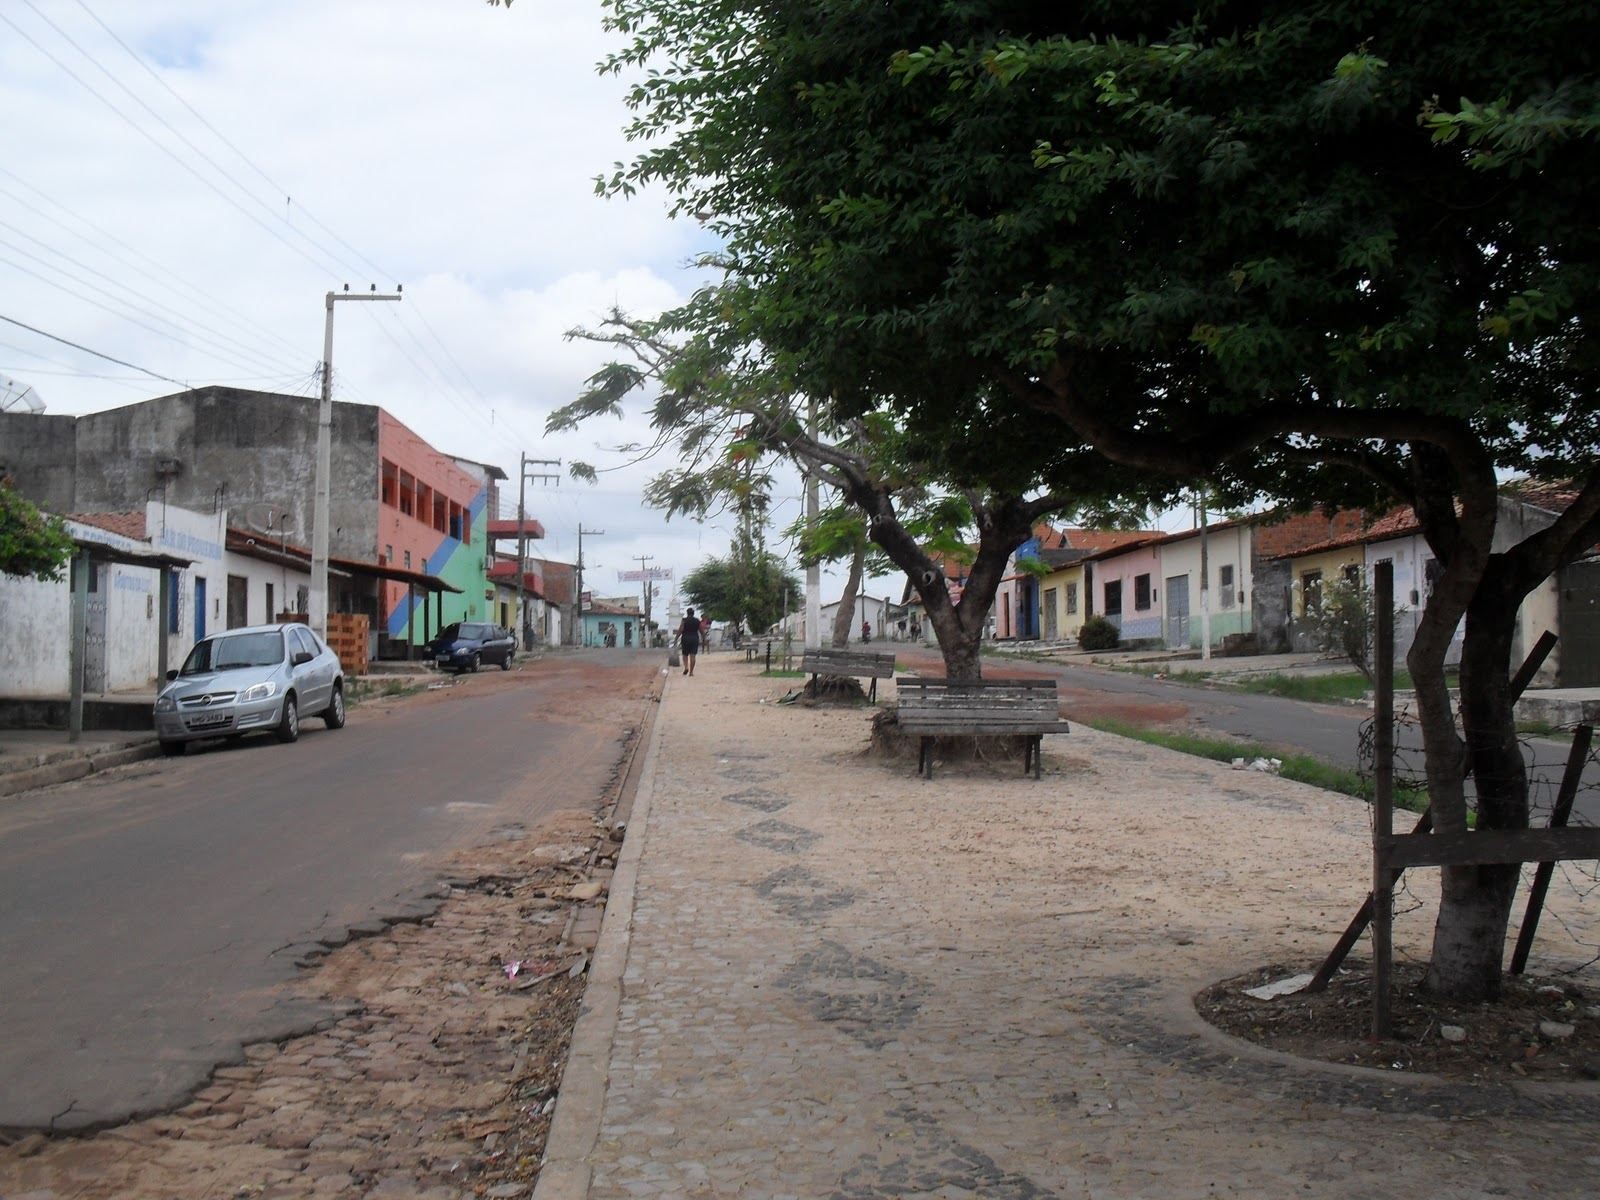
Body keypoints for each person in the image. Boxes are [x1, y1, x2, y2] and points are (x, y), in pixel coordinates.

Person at [678, 607, 701, 676]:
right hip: (695, 639)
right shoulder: (697, 620)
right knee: (693, 656)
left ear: (687, 613)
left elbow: (681, 630)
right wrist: (704, 638)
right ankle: (691, 672)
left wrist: (676, 638)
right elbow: (701, 630)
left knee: (685, 654)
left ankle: (686, 667)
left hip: (686, 638)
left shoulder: (684, 620)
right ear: (693, 613)